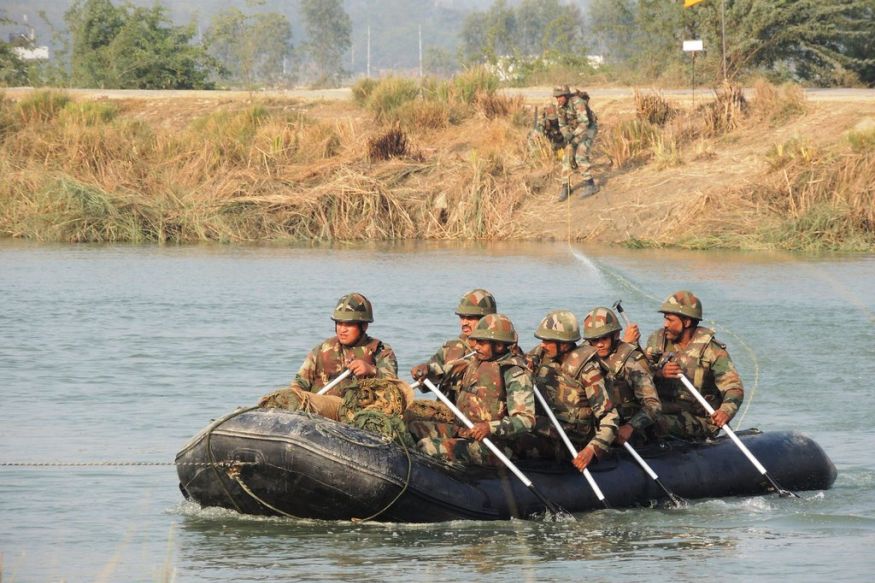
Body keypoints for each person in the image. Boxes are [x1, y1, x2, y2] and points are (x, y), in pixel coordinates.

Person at [416, 313, 535, 466]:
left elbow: (526, 420)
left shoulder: (514, 372)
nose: (475, 346)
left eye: (482, 342)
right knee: (413, 428)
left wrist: (489, 427)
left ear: (498, 345)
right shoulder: (475, 360)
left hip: (494, 444)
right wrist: (426, 370)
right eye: (476, 341)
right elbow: (444, 370)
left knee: (429, 447)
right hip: (465, 431)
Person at [262, 292, 398, 405]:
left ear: (364, 326)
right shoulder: (322, 350)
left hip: (357, 414)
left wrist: (372, 371)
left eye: (349, 325)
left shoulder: (381, 351)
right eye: (339, 323)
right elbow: (299, 384)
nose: (342, 330)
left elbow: (395, 390)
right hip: (319, 412)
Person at [643, 291, 744, 440]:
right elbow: (639, 373)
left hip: (698, 417)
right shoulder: (657, 341)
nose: (665, 325)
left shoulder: (712, 350)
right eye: (665, 319)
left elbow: (734, 388)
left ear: (687, 322)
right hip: (664, 407)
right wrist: (659, 373)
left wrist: (726, 411)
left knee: (653, 423)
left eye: (670, 320)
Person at [526, 310, 618, 472]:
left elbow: (609, 417)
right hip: (545, 429)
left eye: (548, 341)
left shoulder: (588, 370)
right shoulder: (542, 355)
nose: (542, 345)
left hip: (570, 441)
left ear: (564, 344)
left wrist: (592, 449)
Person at [581, 307, 661, 446]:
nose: (599, 344)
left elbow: (653, 405)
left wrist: (630, 427)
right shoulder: (585, 357)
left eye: (604, 338)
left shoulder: (632, 362)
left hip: (626, 427)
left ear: (616, 335)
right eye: (594, 340)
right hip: (595, 425)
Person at [410, 288, 497, 396]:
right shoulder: (450, 348)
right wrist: (424, 371)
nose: (464, 322)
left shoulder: (499, 349)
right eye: (462, 317)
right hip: (447, 411)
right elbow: (425, 386)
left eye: (470, 318)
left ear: (487, 319)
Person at [555, 85, 600, 201]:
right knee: (566, 155)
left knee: (580, 154)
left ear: (566, 95)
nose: (558, 99)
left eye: (560, 96)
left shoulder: (578, 103)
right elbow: (562, 125)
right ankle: (566, 187)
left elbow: (585, 123)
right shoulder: (560, 107)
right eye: (556, 97)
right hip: (575, 131)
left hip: (589, 129)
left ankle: (590, 185)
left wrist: (573, 134)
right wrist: (566, 136)